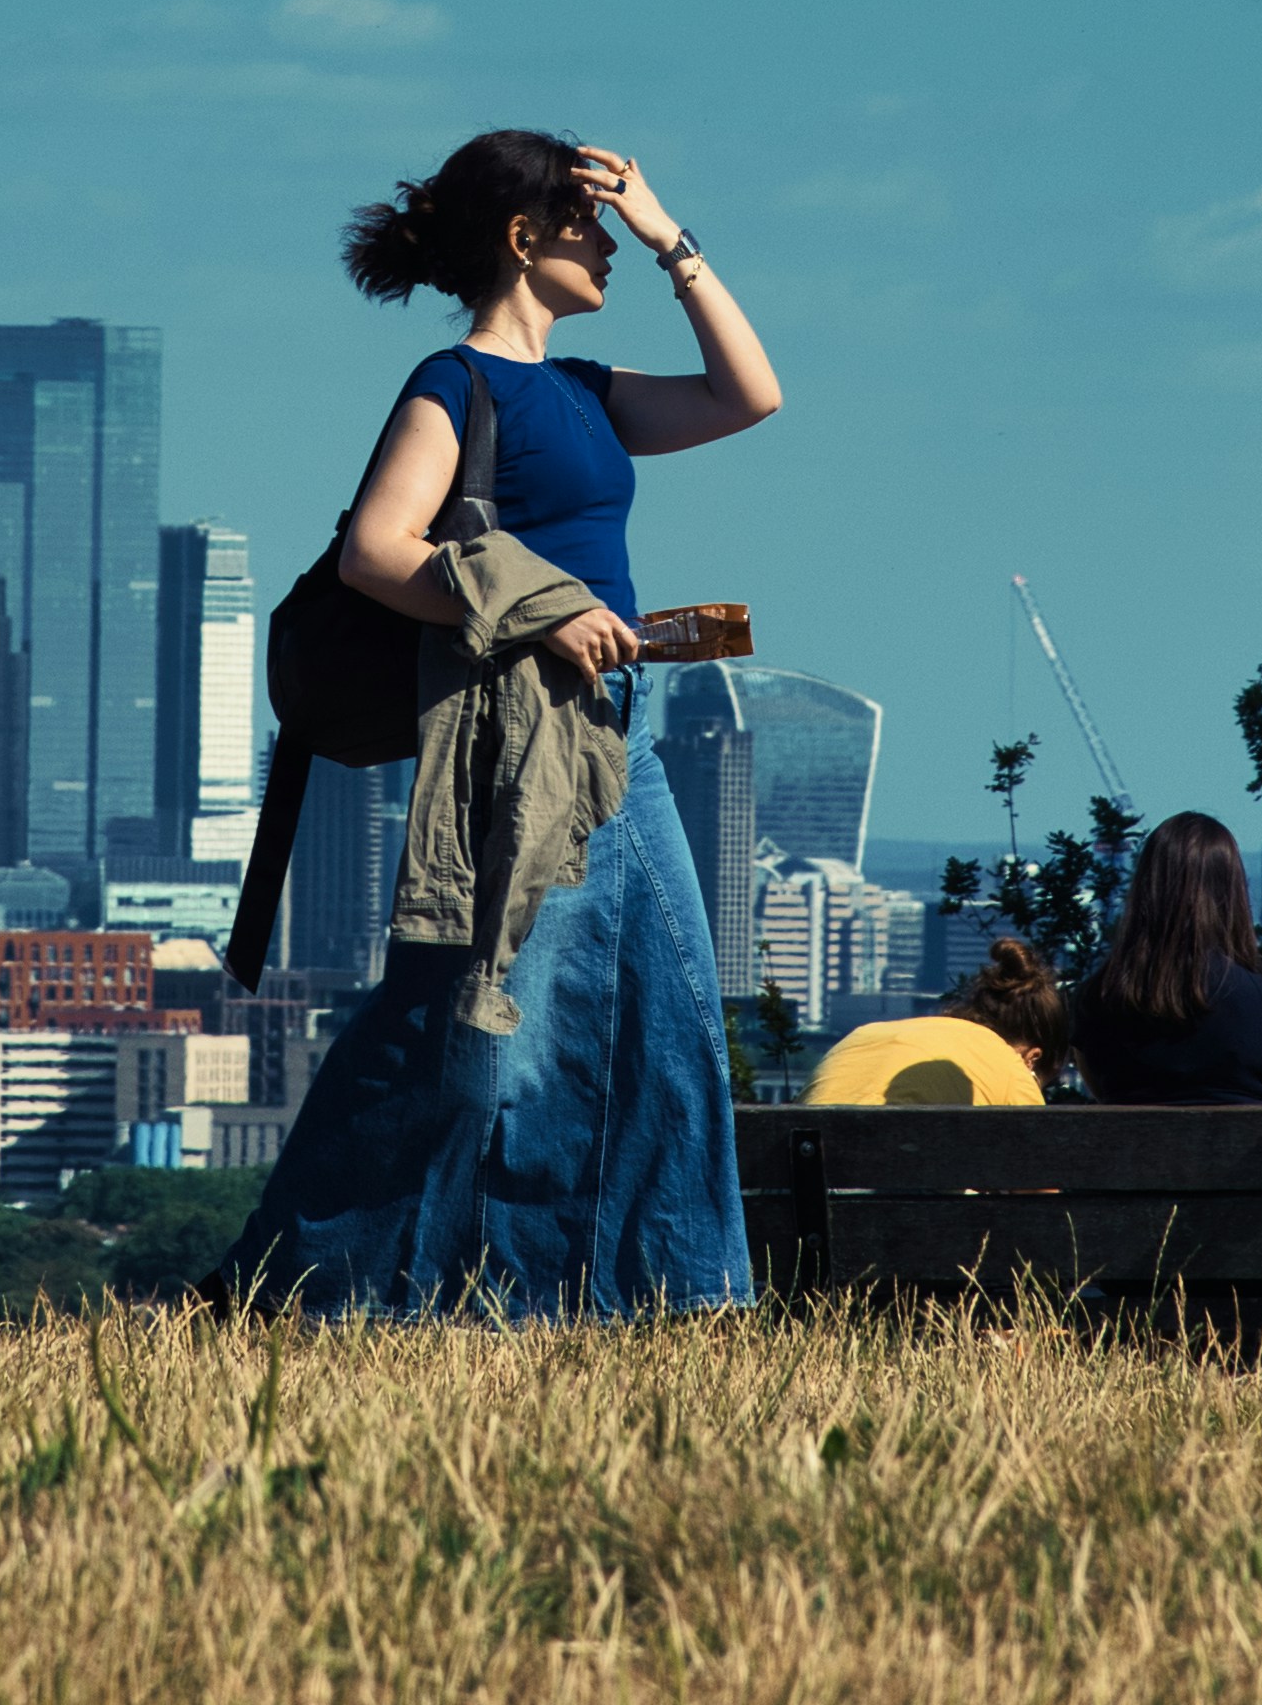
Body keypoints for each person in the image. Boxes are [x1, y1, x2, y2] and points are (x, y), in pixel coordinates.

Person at [209, 126, 782, 1318]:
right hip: (518, 743)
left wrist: (665, 232)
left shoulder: (580, 391)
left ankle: (682, 1296)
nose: (604, 249)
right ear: (524, 240)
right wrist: (534, 618)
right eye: (585, 226)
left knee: (665, 1013)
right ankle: (326, 1286)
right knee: (477, 1037)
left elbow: (749, 395)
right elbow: (377, 551)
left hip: (618, 734)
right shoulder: (453, 384)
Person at [1074, 812, 1262, 1105]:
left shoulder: (1095, 1002)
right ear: (1232, 892)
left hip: (1136, 1152)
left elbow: (1102, 1095)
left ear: (1145, 888)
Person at [805, 938, 1065, 1106]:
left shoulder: (866, 1035)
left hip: (798, 1182)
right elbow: (1039, 1187)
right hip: (887, 1184)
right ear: (1032, 1058)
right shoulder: (1010, 1065)